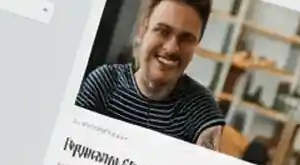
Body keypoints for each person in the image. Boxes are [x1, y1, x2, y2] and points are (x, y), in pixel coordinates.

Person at [77, 0, 225, 151]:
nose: (172, 48)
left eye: (186, 38)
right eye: (163, 31)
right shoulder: (104, 84)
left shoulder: (201, 108)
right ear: (142, 31)